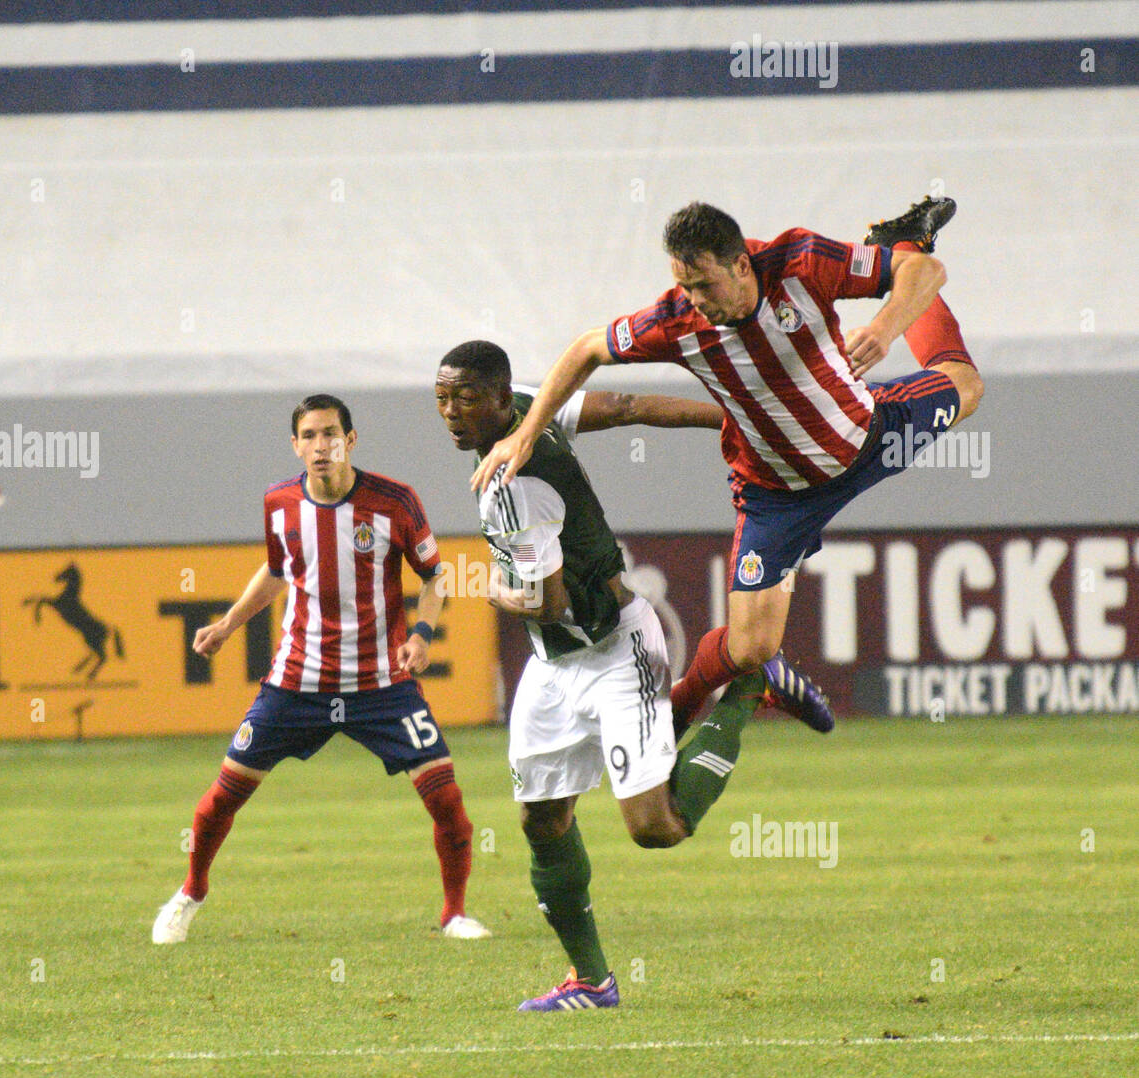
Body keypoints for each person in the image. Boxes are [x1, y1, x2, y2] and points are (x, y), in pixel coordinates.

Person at [471, 195, 983, 732]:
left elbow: (926, 272)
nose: (695, 300)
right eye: (684, 286)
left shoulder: (801, 262)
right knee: (752, 645)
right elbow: (587, 349)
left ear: (741, 264)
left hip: (868, 435)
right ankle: (685, 702)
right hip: (778, 493)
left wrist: (884, 326)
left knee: (966, 385)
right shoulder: (676, 321)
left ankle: (899, 237)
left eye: (705, 285)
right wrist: (527, 433)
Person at [437, 341, 828, 1011]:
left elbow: (546, 601)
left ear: (501, 399)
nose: (451, 412)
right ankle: (592, 981)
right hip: (554, 664)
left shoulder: (517, 486)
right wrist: (725, 417)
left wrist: (489, 586)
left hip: (616, 648)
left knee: (655, 826)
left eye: (467, 398)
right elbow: (625, 404)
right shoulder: (535, 409)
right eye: (442, 399)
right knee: (543, 816)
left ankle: (748, 686)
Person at [153, 394, 491, 945]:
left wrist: (422, 635)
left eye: (330, 434)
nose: (320, 446)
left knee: (447, 800)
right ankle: (190, 892)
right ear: (295, 445)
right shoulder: (279, 502)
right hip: (298, 681)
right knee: (223, 795)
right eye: (309, 436)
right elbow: (275, 569)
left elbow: (434, 577)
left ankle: (454, 913)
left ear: (350, 440)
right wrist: (227, 625)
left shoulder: (395, 501)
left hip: (382, 684)